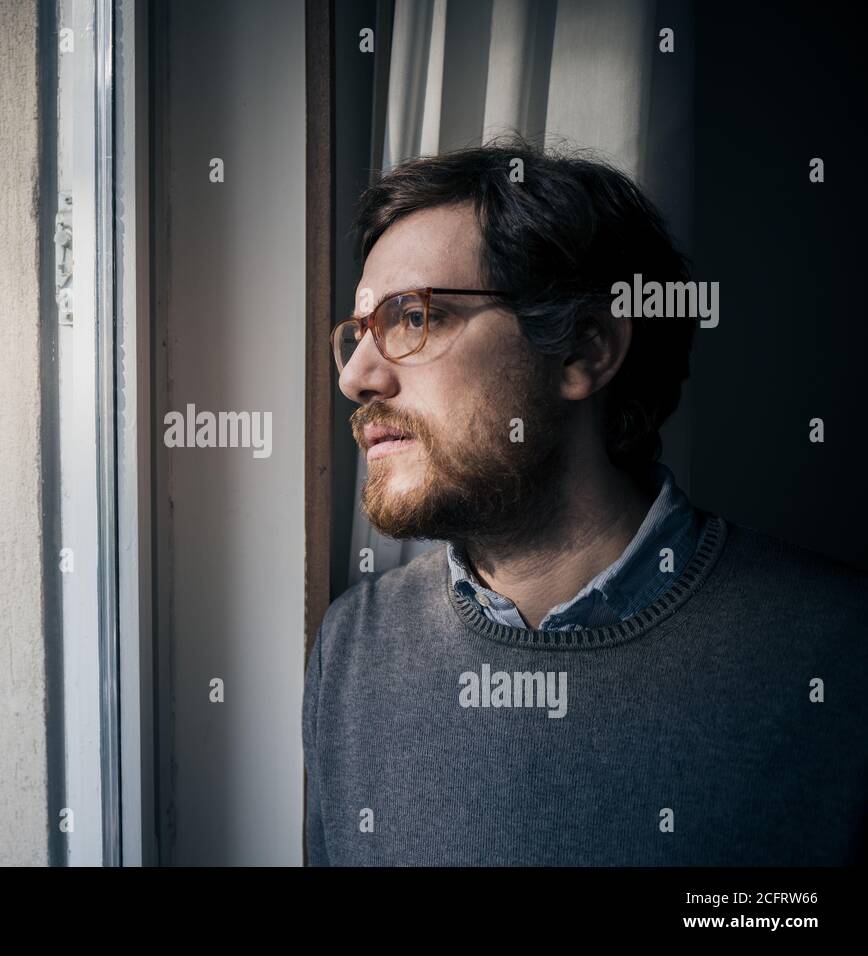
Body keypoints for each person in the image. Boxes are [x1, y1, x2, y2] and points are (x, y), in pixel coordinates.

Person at [303, 139, 868, 866]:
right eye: (357, 333)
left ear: (585, 350)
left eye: (413, 318)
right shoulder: (352, 649)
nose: (356, 376)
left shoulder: (837, 659)